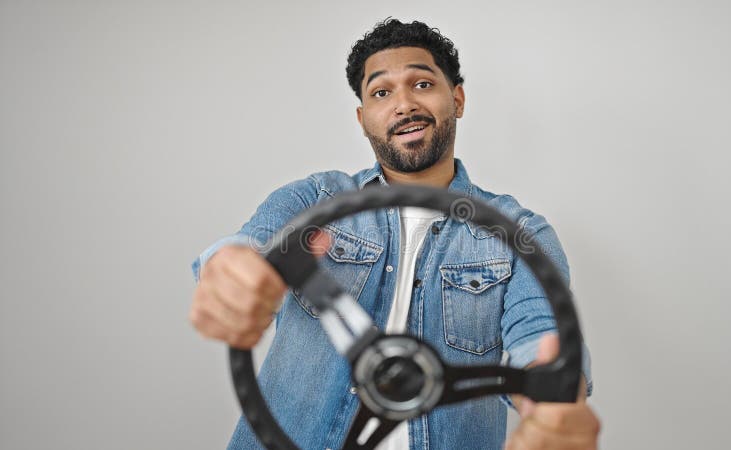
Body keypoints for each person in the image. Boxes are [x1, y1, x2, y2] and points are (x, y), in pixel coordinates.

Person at [190, 18, 600, 450]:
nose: (403, 104)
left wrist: (557, 406)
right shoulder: (315, 198)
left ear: (457, 99)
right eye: (381, 92)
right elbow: (249, 247)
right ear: (363, 118)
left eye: (422, 84)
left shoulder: (520, 233)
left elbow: (543, 343)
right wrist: (230, 272)